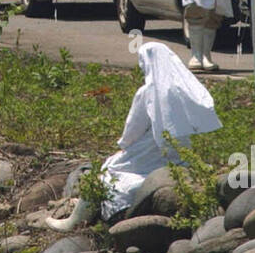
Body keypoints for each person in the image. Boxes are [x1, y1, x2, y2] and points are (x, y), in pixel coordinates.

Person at [47, 42, 222, 230]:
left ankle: (75, 221)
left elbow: (132, 130)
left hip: (147, 153)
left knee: (109, 173)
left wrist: (123, 144)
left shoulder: (147, 92)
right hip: (178, 152)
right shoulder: (182, 90)